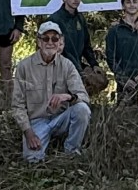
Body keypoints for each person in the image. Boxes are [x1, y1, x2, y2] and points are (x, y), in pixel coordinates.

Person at [12, 22, 92, 162]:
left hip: (61, 118)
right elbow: (17, 105)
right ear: (39, 41)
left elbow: (83, 96)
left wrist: (68, 96)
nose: (50, 43)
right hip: (36, 122)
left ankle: (71, 152)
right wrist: (28, 132)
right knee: (32, 159)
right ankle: (40, 147)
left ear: (60, 41)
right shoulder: (24, 67)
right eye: (46, 38)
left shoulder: (67, 65)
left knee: (82, 109)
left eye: (54, 39)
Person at [47, 0, 109, 97]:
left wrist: (94, 64)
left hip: (78, 65)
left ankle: (81, 99)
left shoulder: (80, 18)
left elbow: (86, 45)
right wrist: (77, 70)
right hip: (60, 66)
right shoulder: (54, 20)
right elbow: (52, 50)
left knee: (101, 80)